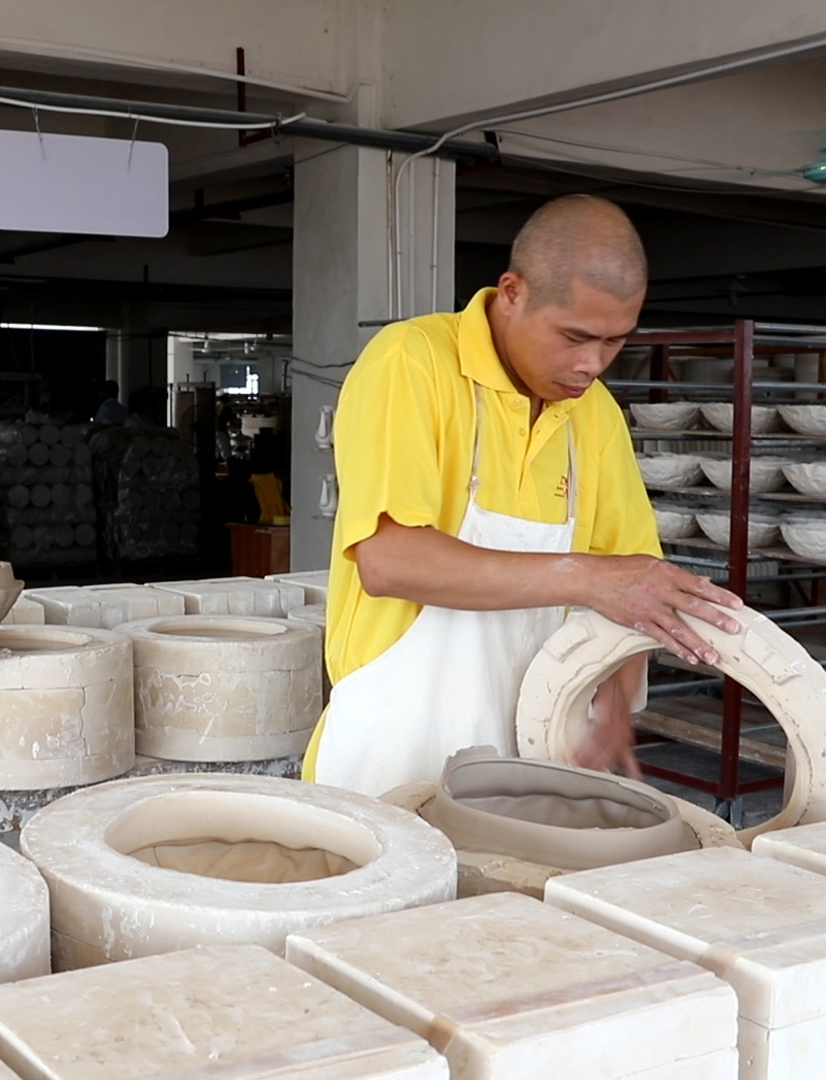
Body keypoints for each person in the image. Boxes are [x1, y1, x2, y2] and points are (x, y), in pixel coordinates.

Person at [304, 195, 743, 796]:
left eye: (615, 343)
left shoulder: (595, 417)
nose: (591, 365)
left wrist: (613, 712)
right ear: (511, 293)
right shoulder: (414, 363)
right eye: (574, 336)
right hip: (391, 748)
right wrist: (588, 578)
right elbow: (389, 560)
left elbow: (633, 583)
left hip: (525, 750)